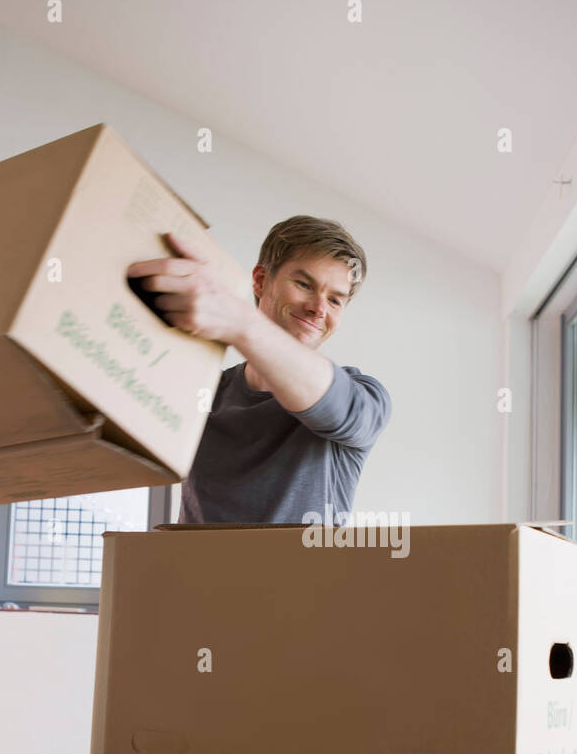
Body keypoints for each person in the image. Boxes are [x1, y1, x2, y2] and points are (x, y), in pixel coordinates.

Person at [125, 215, 391, 523]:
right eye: (304, 284)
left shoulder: (367, 396)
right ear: (261, 280)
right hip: (194, 570)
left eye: (335, 300)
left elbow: (336, 405)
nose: (319, 308)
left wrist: (238, 320)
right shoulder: (205, 390)